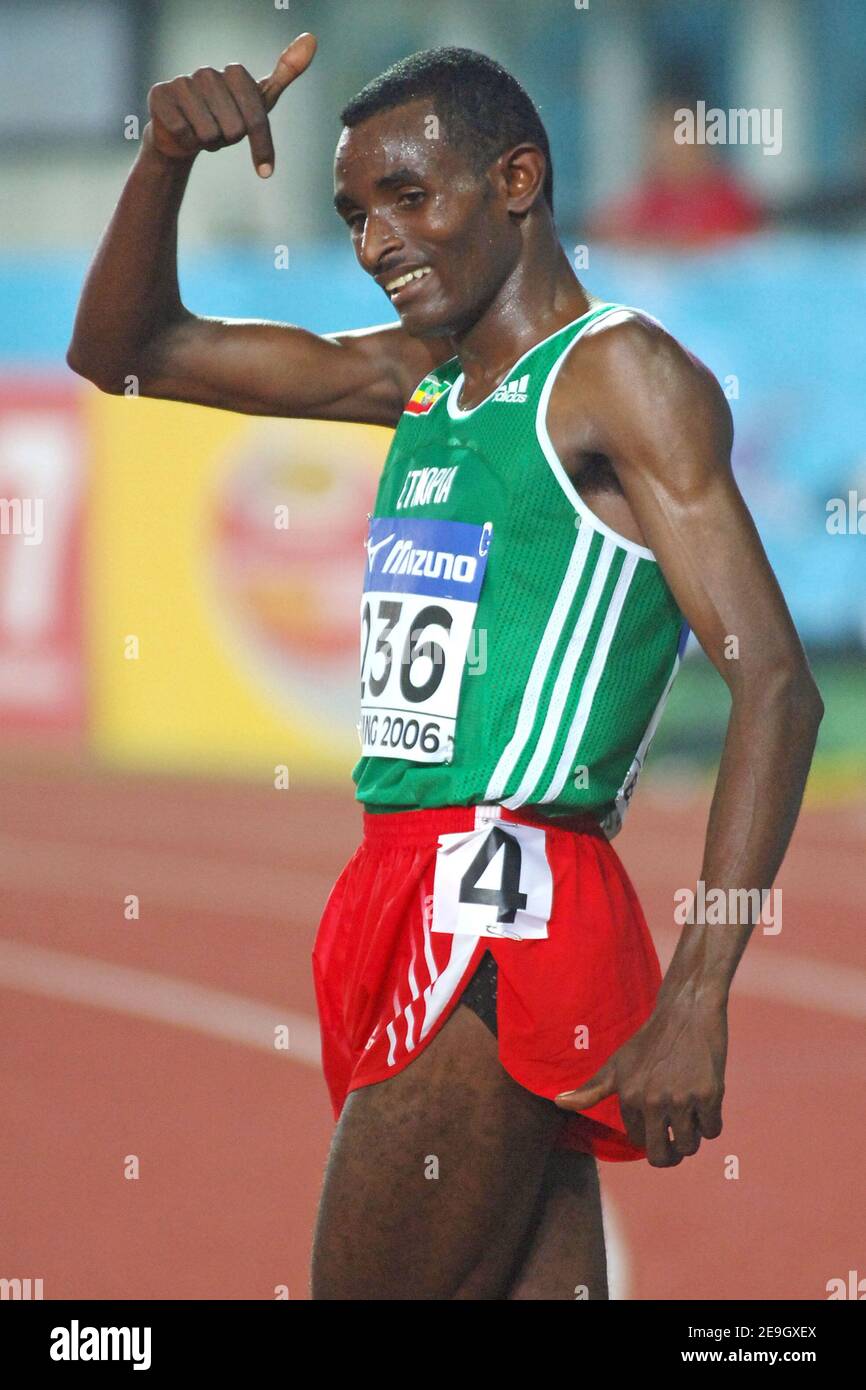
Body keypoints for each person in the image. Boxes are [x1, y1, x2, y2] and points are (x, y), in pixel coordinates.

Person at [67, 33, 823, 1300]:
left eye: (409, 199)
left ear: (517, 179)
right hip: (394, 887)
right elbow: (128, 351)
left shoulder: (615, 379)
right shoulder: (417, 379)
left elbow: (775, 683)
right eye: (355, 215)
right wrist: (160, 159)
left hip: (494, 909)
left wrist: (699, 988)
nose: (376, 245)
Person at [588, 92, 765, 248]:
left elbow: (742, 246)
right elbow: (607, 234)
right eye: (665, 141)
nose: (673, 151)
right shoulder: (648, 199)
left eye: (683, 140)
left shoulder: (730, 199)